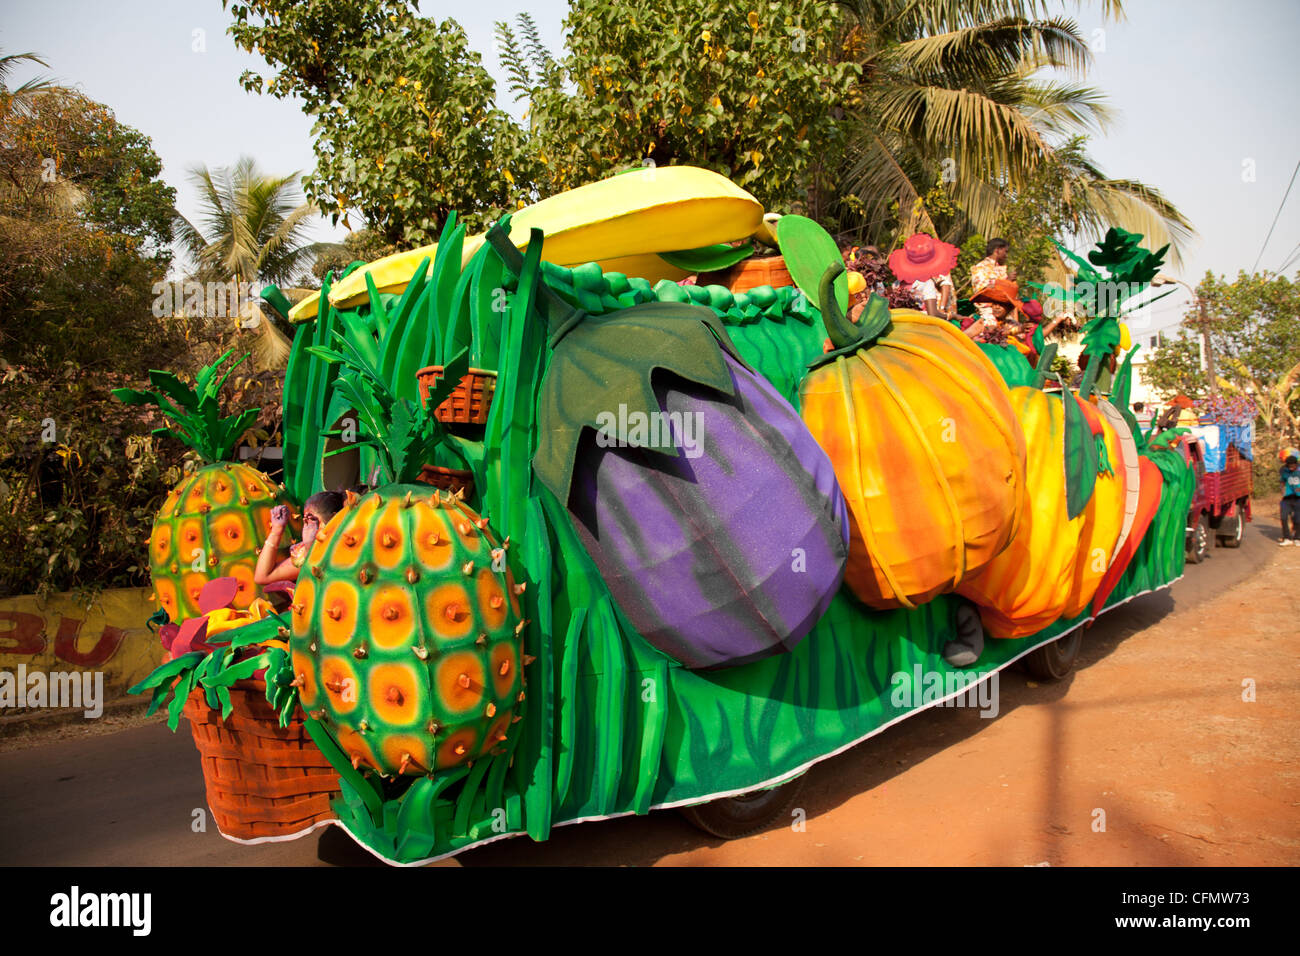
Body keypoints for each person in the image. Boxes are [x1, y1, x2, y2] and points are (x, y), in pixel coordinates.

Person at [254, 490, 346, 587]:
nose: (310, 529)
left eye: (314, 522)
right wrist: (276, 531)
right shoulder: (304, 551)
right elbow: (262, 577)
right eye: (307, 522)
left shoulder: (347, 545)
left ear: (335, 520)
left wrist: (310, 547)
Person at [886, 233, 961, 317]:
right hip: (931, 313)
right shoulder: (927, 282)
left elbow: (945, 285)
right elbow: (933, 312)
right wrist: (942, 310)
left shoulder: (897, 283)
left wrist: (942, 308)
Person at [1280, 456, 1300, 546]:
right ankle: (1287, 538)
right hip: (1287, 499)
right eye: (1289, 465)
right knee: (1283, 517)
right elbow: (1282, 482)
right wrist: (1283, 490)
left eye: (1293, 465)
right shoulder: (1284, 472)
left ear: (1296, 464)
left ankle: (1297, 538)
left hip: (1298, 498)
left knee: (1298, 519)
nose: (1291, 467)